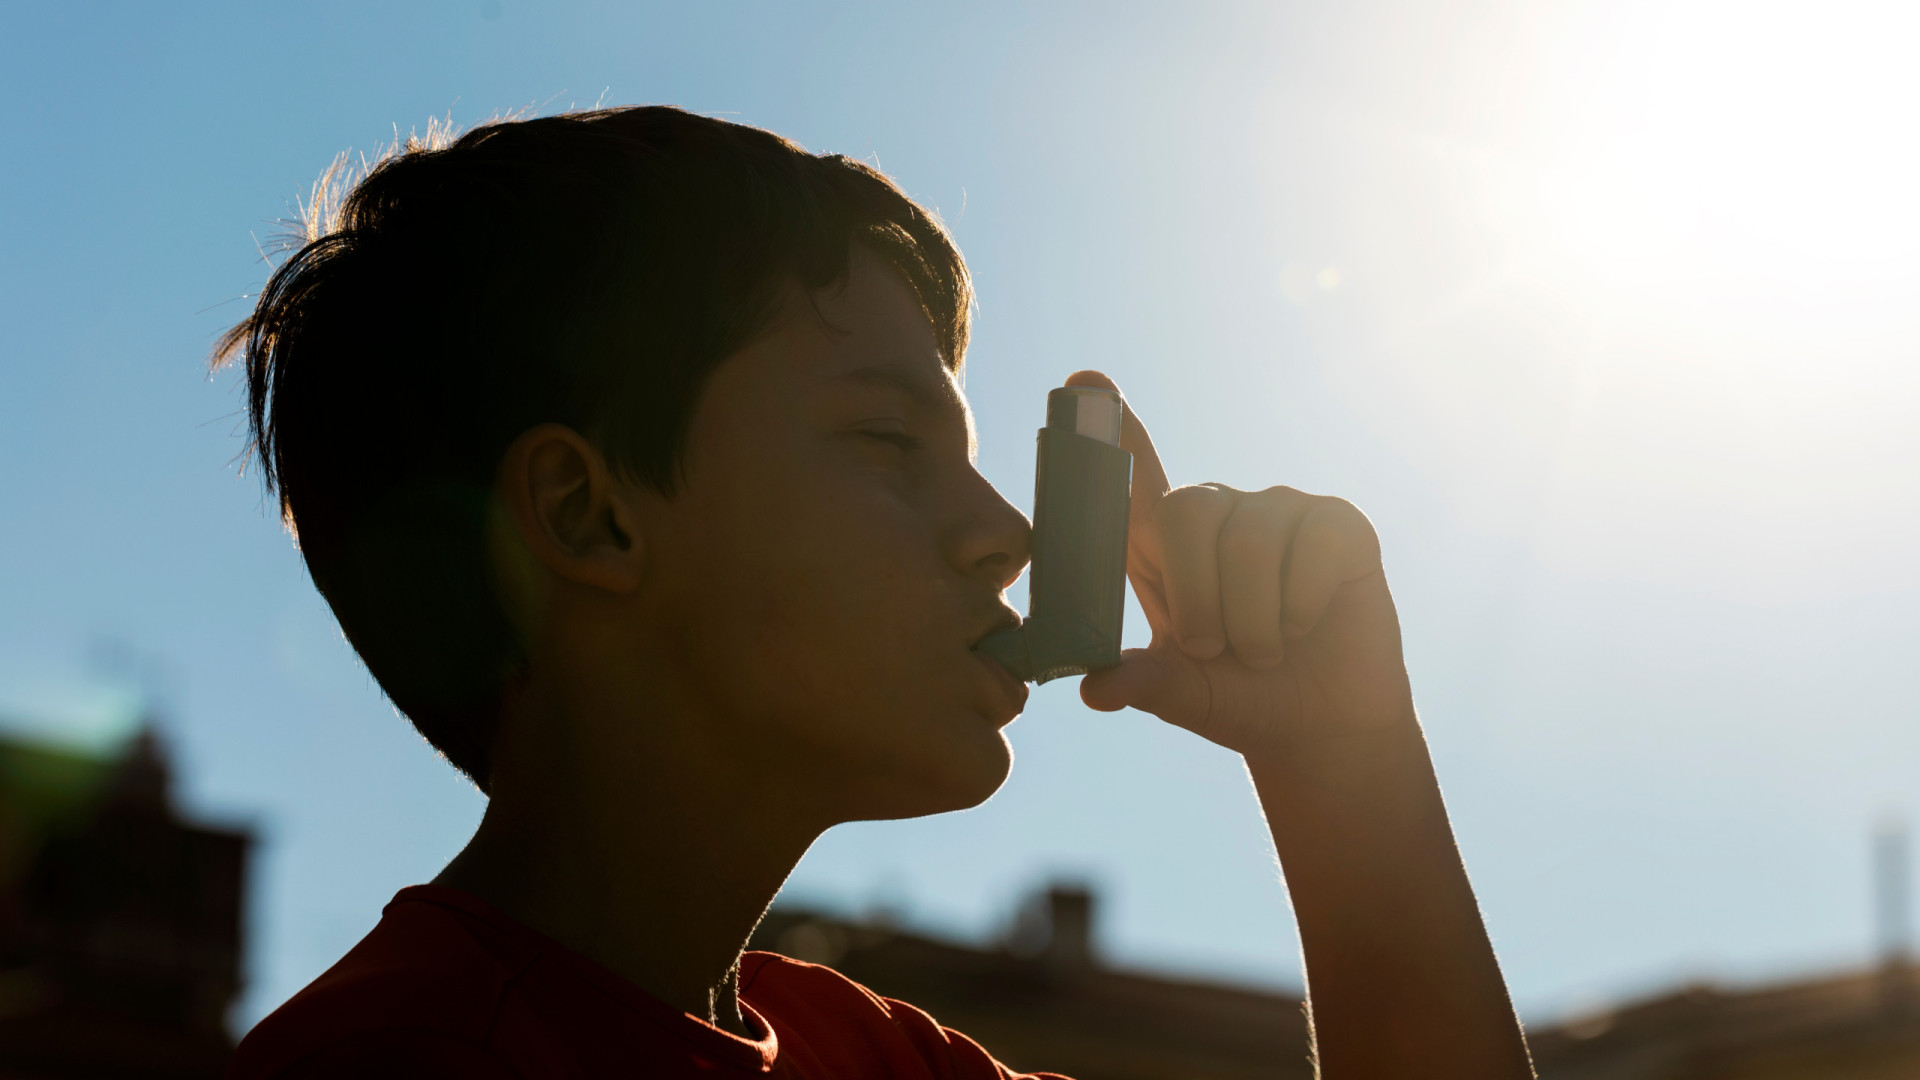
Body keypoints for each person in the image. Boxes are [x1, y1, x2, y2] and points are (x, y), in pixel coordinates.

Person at [218, 105, 1535, 1079]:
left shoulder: (879, 1060)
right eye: (889, 444)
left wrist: (1346, 772)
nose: (1008, 536)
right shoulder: (400, 1062)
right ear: (590, 515)